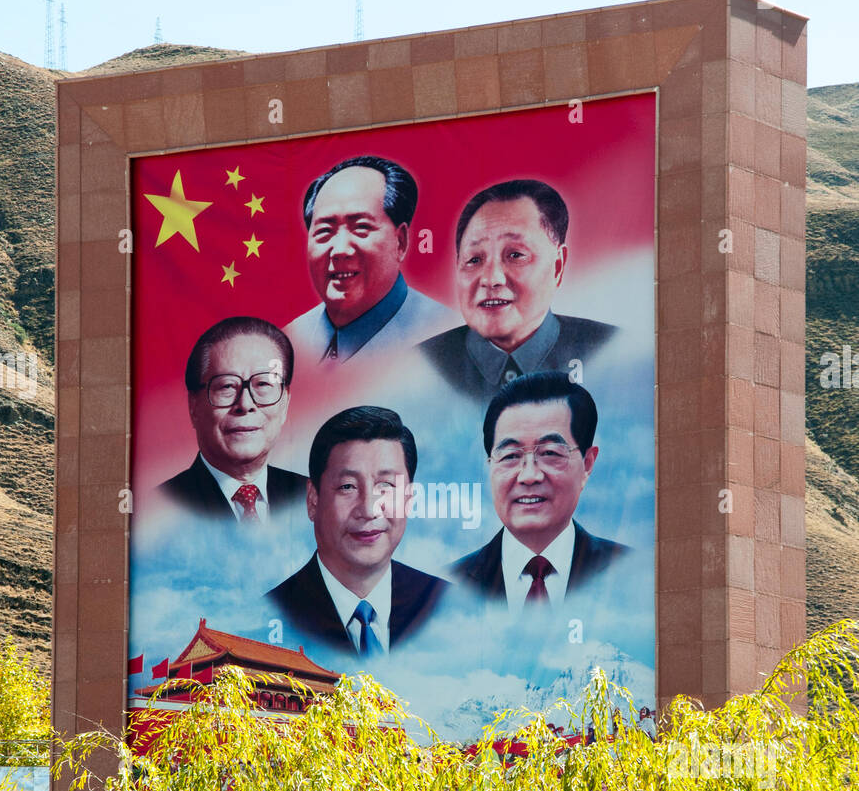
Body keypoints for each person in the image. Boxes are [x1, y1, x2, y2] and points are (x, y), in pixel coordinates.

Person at [265, 406, 448, 655]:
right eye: (348, 486)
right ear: (313, 500)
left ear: (408, 498)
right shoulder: (272, 612)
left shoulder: (443, 603)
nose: (369, 509)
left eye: (385, 485)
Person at [419, 179, 616, 401]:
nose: (491, 279)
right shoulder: (420, 368)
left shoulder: (614, 354)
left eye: (515, 255)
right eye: (474, 259)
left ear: (558, 265)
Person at [450, 371, 628, 605]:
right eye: (511, 455)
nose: (529, 475)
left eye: (550, 453)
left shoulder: (630, 572)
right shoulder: (448, 585)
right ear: (490, 465)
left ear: (587, 464)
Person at [284, 156, 456, 366]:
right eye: (325, 231)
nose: (340, 250)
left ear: (400, 242)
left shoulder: (452, 339)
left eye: (361, 228)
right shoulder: (286, 343)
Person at [156, 317, 305, 523]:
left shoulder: (315, 499)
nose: (245, 404)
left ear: (285, 403)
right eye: (226, 386)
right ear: (194, 406)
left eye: (262, 384)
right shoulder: (160, 508)